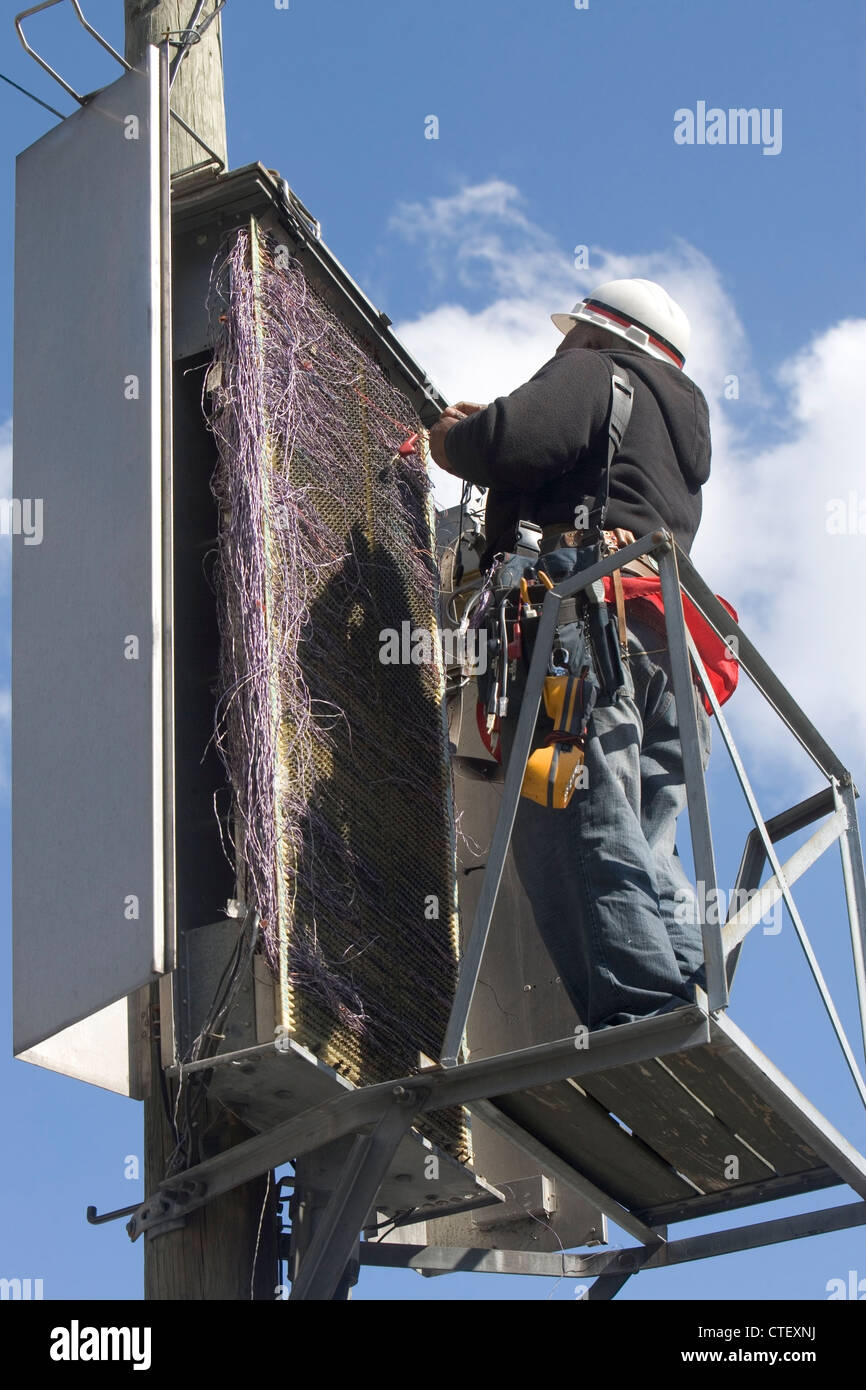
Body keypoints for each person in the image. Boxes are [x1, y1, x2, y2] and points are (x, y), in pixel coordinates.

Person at [429, 278, 717, 1030]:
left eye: (566, 341)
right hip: (667, 653)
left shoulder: (596, 372)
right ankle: (690, 992)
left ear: (599, 336)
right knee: (648, 845)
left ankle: (641, 1013)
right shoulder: (678, 442)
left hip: (587, 636)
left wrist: (455, 440)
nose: (555, 353)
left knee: (575, 811)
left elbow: (511, 440)